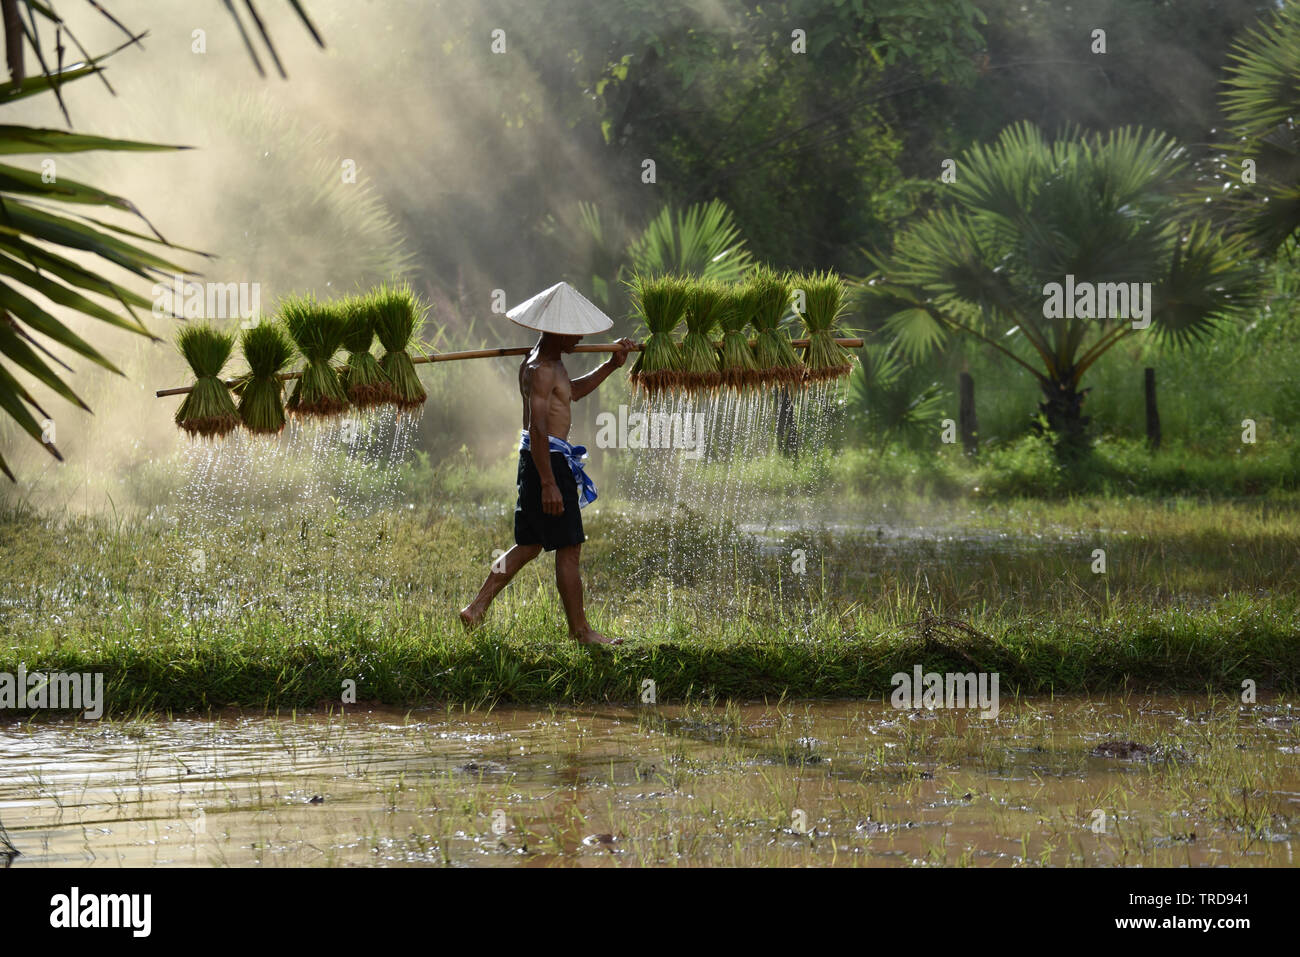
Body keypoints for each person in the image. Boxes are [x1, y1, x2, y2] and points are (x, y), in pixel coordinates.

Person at [459, 282, 633, 644]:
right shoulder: (541, 368)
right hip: (546, 461)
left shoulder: (547, 363)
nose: (582, 337)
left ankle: (475, 609)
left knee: (529, 544)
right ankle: (581, 632)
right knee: (569, 548)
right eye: (575, 331)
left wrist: (611, 365)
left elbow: (571, 394)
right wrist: (550, 482)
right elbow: (538, 428)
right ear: (557, 330)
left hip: (537, 460)